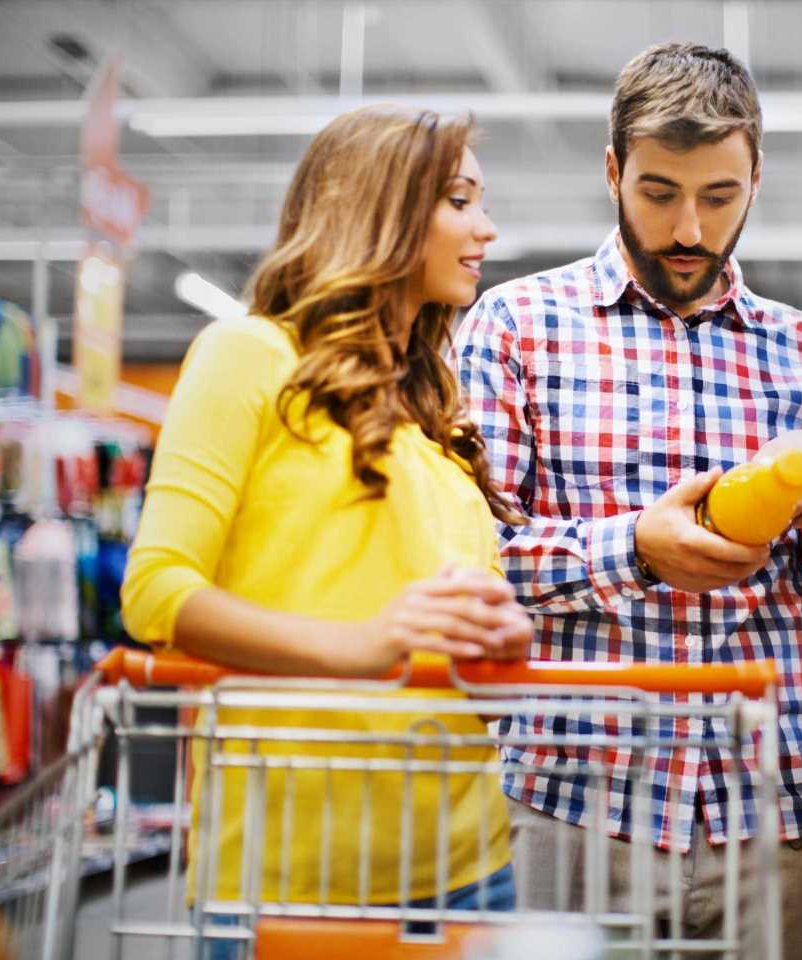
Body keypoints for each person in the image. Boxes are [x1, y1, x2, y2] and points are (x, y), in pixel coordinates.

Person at [450, 42, 802, 959]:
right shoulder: (514, 329)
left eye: (720, 196)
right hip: (576, 804)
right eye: (660, 194)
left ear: (756, 179)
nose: (690, 230)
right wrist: (637, 549)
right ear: (615, 169)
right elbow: (477, 562)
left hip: (775, 812)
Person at [121, 107, 529, 940]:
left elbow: (450, 658)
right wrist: (365, 649)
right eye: (459, 199)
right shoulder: (250, 355)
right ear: (376, 207)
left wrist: (498, 649)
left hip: (468, 864)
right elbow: (156, 592)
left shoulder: (440, 430)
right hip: (289, 875)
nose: (486, 226)